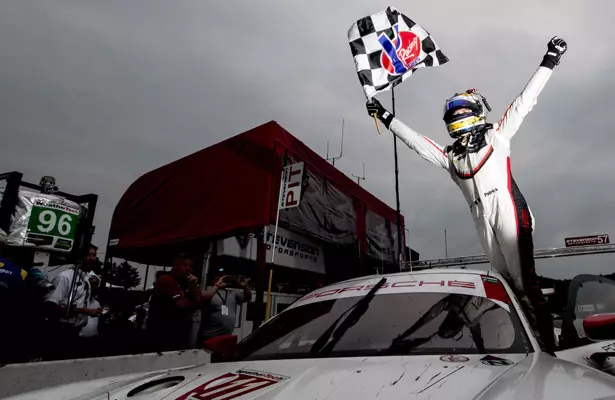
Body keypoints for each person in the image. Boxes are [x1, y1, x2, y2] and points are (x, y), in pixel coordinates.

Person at [365, 36, 567, 354]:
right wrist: (386, 118)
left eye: (459, 109)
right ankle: (525, 344)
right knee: (506, 285)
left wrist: (550, 60)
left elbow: (524, 102)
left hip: (509, 211)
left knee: (525, 283)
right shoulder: (450, 157)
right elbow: (418, 143)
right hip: (481, 218)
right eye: (451, 111)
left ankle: (549, 348)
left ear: (474, 111)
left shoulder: (496, 137)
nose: (454, 114)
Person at [44, 243, 103, 359]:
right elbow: (50, 306)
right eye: (88, 255)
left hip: (76, 333)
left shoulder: (86, 279)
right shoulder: (65, 277)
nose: (91, 258)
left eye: (94, 255)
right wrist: (82, 310)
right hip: (61, 332)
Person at [146, 253, 203, 351]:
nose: (188, 269)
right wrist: (194, 302)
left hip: (180, 333)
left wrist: (194, 289)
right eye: (184, 265)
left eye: (190, 266)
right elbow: (181, 304)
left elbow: (200, 302)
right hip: (164, 333)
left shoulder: (186, 282)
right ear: (175, 265)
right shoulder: (167, 280)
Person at [199, 275, 251, 343]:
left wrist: (245, 286)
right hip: (210, 335)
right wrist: (217, 285)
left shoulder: (233, 293)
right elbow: (204, 298)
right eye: (220, 278)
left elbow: (247, 298)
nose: (223, 280)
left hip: (226, 336)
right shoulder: (210, 292)